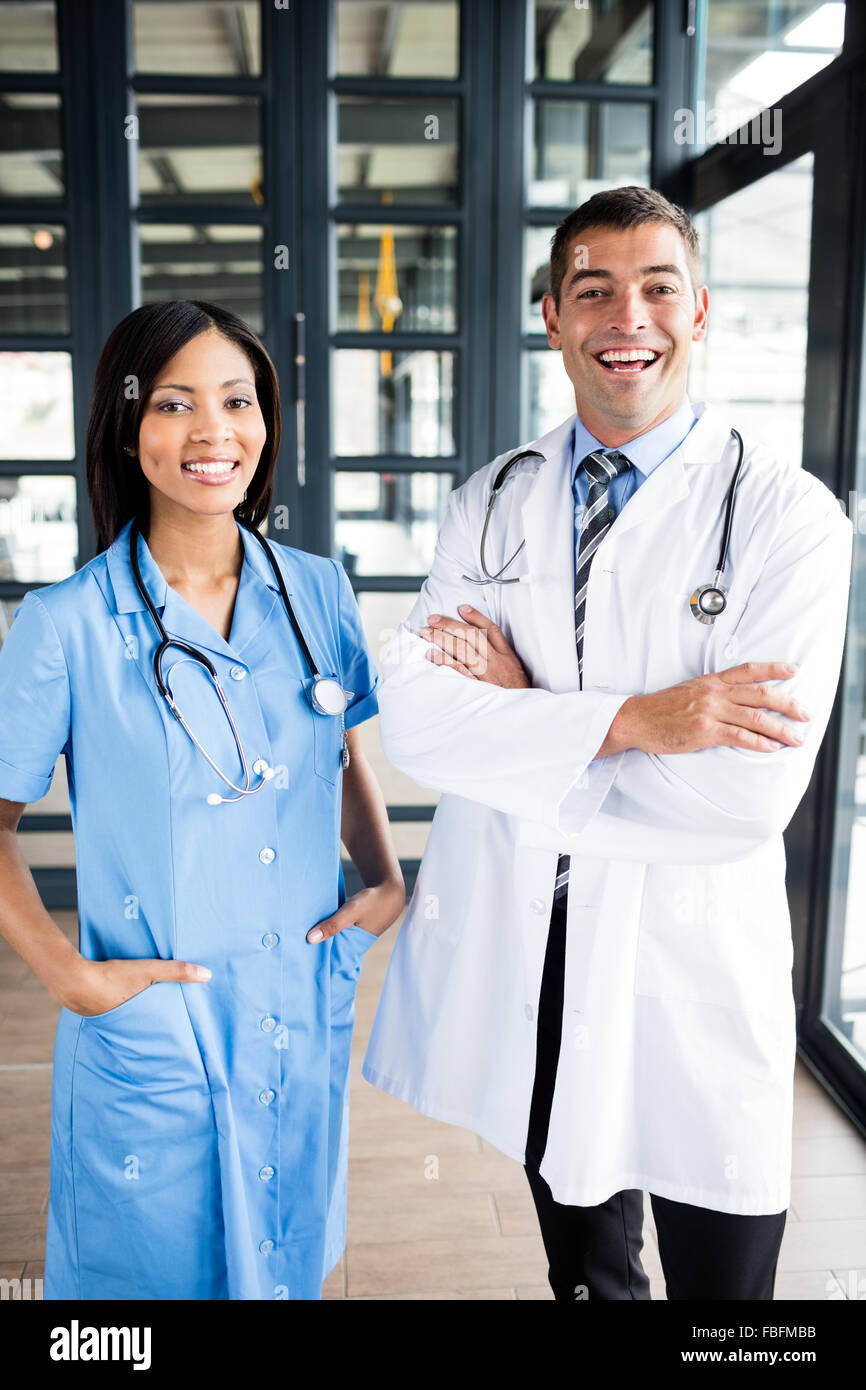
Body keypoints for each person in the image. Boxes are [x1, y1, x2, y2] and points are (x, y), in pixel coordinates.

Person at [360, 186, 854, 1300]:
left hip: (691, 959)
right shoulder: (488, 502)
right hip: (531, 946)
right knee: (583, 1270)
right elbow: (419, 723)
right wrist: (632, 723)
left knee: (725, 1290)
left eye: (655, 287)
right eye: (592, 290)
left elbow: (739, 799)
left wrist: (522, 720)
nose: (624, 316)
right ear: (552, 315)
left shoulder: (788, 521)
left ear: (699, 309)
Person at [0, 299, 404, 1300]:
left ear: (265, 422)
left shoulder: (318, 591)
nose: (212, 432)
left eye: (237, 400)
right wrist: (70, 977)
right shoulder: (65, 626)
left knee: (284, 1264)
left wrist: (385, 876)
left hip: (295, 1001)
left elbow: (342, 749)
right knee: (147, 1286)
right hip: (153, 1025)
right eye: (174, 403)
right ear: (127, 429)